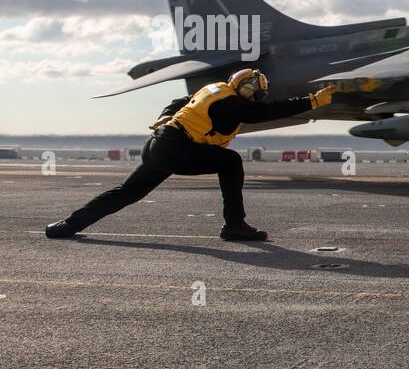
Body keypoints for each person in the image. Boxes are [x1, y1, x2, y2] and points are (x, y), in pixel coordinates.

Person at [45, 68, 337, 241]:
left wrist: (165, 116)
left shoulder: (212, 90)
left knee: (126, 192)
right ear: (247, 88)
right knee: (231, 162)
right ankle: (234, 225)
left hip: (160, 144)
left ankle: (68, 226)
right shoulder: (232, 103)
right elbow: (266, 112)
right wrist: (311, 101)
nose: (258, 96)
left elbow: (178, 101)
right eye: (257, 91)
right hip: (176, 148)